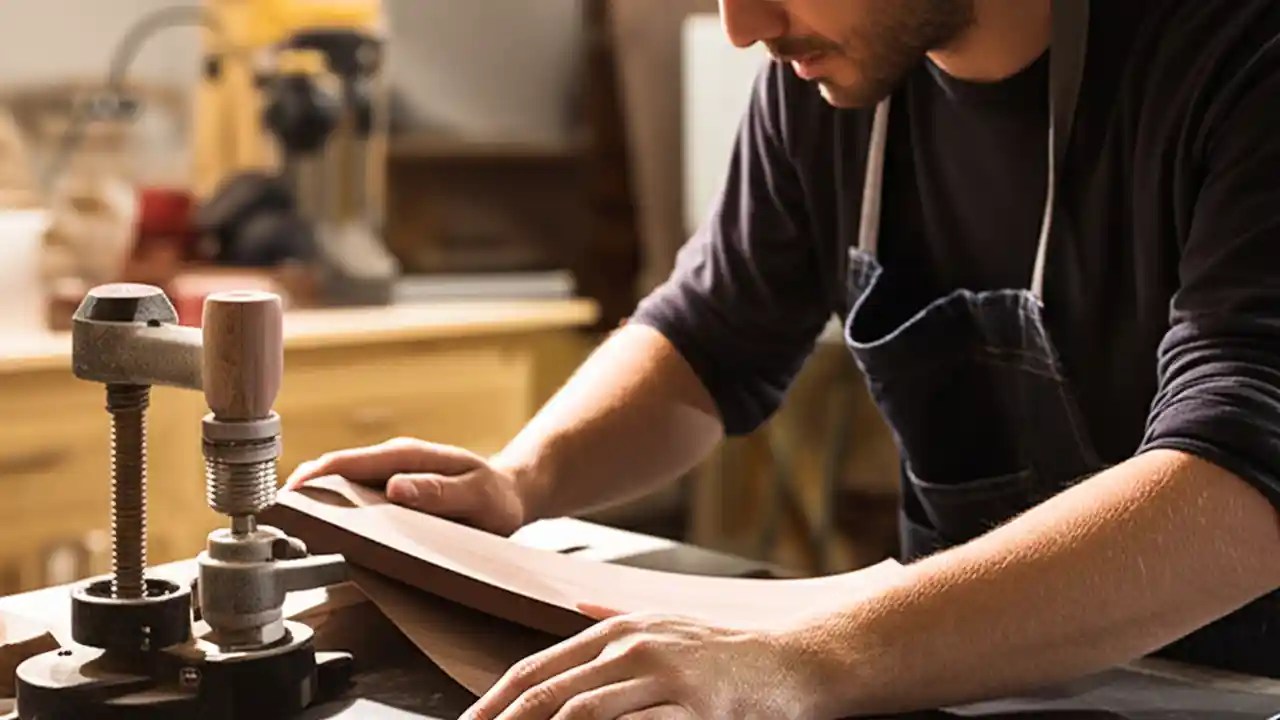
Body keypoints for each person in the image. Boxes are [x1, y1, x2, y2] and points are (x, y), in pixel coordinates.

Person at [287, 0, 1280, 716]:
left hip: (1235, 684)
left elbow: (1244, 490)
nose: (739, 24)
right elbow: (706, 335)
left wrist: (812, 654)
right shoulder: (826, 83)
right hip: (945, 679)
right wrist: (520, 476)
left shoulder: (1240, 56)